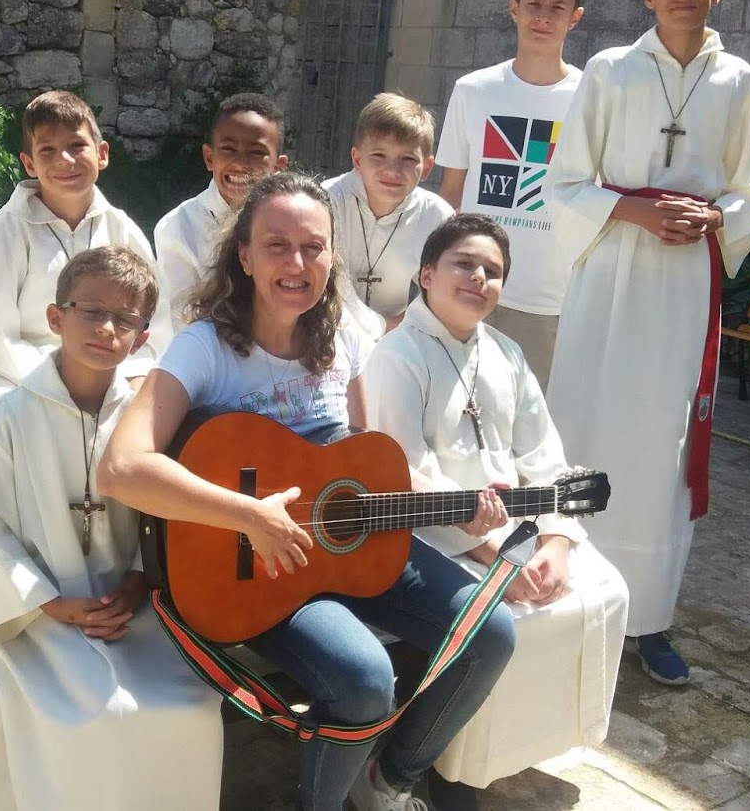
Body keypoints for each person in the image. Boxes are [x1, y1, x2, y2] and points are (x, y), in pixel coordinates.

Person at [98, 171, 516, 811]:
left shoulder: (348, 340)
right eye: (277, 245)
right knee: (363, 678)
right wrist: (246, 514)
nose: (297, 263)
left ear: (332, 256)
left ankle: (390, 780)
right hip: (255, 572)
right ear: (244, 255)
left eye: (314, 247)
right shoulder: (204, 348)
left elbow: (364, 465)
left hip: (337, 551)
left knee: (490, 631)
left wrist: (465, 513)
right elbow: (122, 467)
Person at [545, 0, 750, 686]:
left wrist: (716, 219)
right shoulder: (609, 71)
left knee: (662, 448)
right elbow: (565, 182)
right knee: (587, 425)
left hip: (682, 284)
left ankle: (650, 622)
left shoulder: (738, 79)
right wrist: (639, 213)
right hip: (612, 269)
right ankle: (562, 600)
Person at [364, 214, 629, 807]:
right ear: (427, 274)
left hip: (516, 529)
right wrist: (491, 555)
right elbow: (402, 476)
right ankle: (431, 765)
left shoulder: (506, 352)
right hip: (430, 534)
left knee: (602, 590)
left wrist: (558, 542)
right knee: (500, 622)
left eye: (494, 271)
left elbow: (545, 457)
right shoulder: (397, 355)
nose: (479, 277)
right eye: (465, 263)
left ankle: (500, 754)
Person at [0, 247, 223, 810]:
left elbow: (172, 523)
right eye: (90, 311)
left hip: (136, 607)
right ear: (56, 318)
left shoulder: (147, 419)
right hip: (40, 614)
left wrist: (141, 581)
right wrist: (53, 604)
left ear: (143, 337)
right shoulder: (4, 420)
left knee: (191, 705)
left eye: (125, 319)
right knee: (90, 717)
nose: (105, 328)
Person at [434, 0, 587, 388]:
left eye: (558, 7)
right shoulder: (473, 90)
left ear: (574, 18)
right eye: (534, 4)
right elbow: (452, 193)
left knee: (530, 427)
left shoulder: (590, 98)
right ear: (514, 8)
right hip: (470, 285)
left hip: (547, 297)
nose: (543, 17)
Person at [0, 90, 155, 419]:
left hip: (108, 367)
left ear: (102, 153)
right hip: (18, 374)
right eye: (47, 150)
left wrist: (133, 376)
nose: (64, 160)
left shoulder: (122, 230)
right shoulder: (8, 231)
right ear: (30, 163)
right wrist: (62, 384)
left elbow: (149, 321)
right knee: (6, 423)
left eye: (77, 145)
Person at [148, 92, 289, 350]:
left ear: (278, 166)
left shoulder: (293, 222)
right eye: (228, 149)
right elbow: (184, 319)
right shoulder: (177, 227)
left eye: (257, 153)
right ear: (209, 158)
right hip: (208, 356)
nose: (240, 164)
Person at [323, 92, 454, 339]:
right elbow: (327, 283)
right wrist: (378, 327)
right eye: (378, 156)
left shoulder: (437, 215)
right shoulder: (325, 201)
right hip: (328, 329)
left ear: (426, 168)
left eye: (407, 159)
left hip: (398, 333)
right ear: (357, 159)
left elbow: (444, 291)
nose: (392, 171)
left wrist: (402, 324)